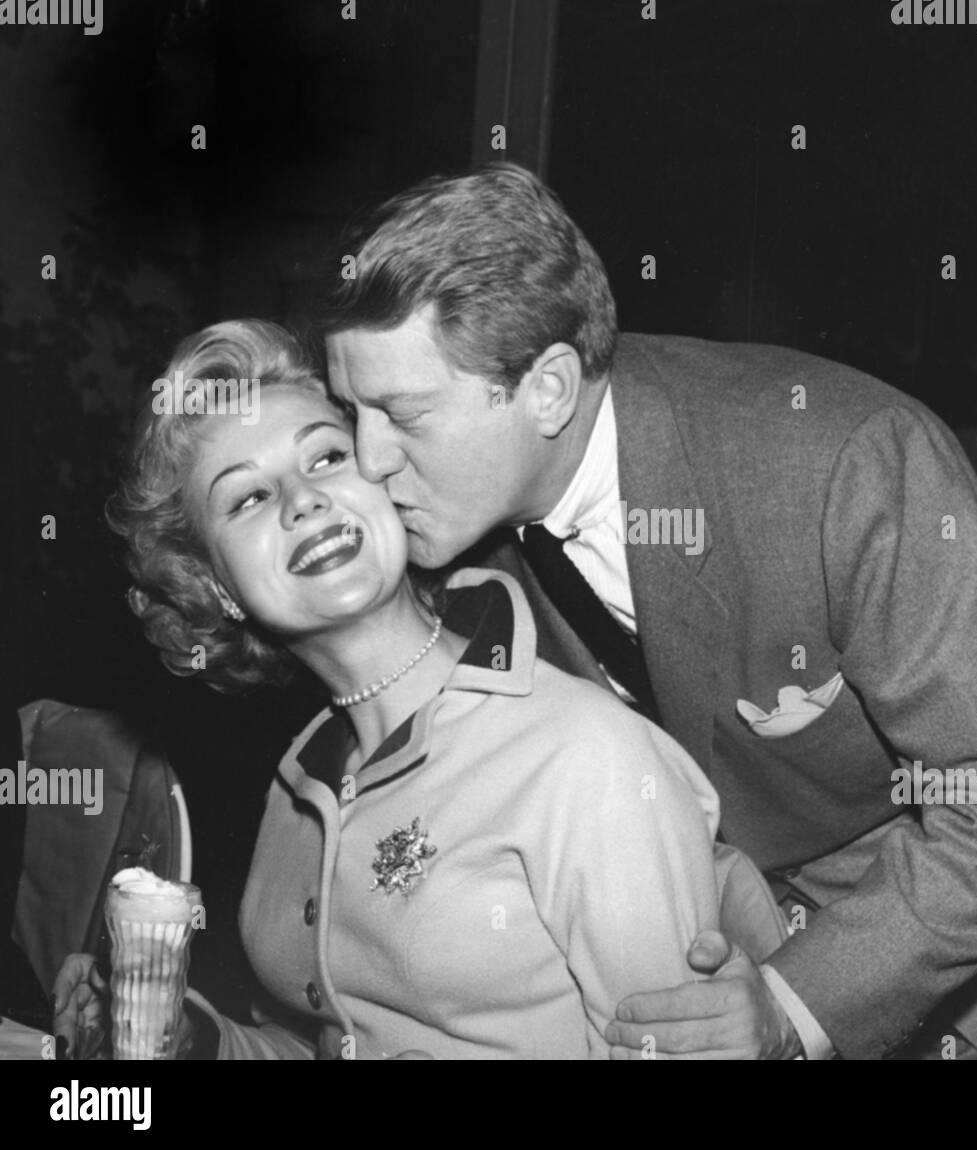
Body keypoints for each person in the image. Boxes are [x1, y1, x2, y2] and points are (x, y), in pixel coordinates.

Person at [318, 162, 977, 1060]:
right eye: (349, 412)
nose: (369, 458)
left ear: (548, 389)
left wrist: (794, 1003)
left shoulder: (837, 465)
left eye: (402, 415)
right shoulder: (458, 532)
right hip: (825, 875)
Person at [52, 319, 788, 1060]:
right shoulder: (296, 786)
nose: (303, 500)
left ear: (387, 477)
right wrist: (195, 1039)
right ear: (217, 586)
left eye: (328, 456)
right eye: (247, 499)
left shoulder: (586, 758)